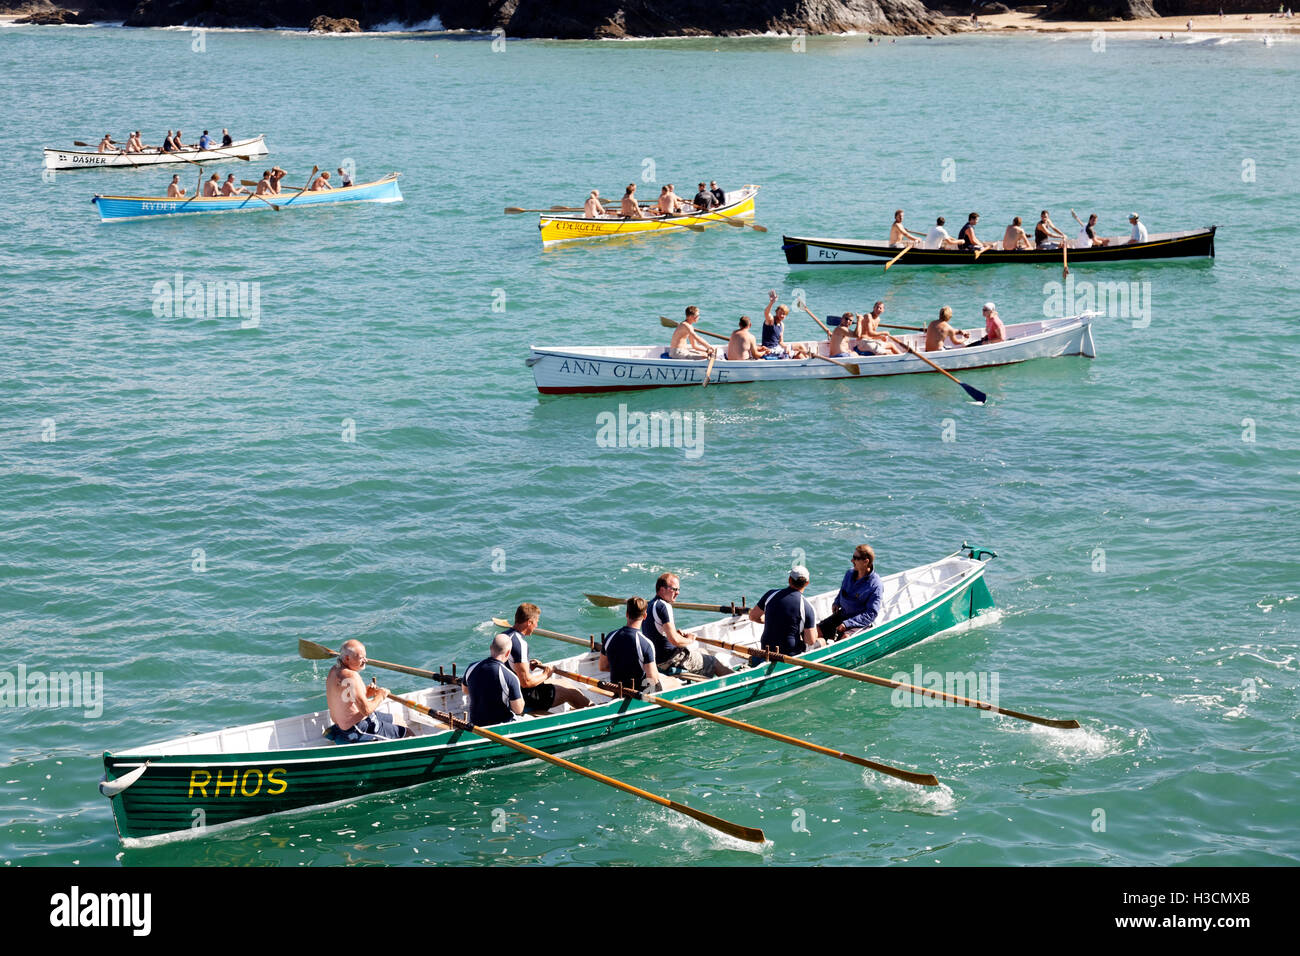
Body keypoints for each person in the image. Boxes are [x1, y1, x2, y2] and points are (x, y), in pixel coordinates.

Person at [500, 603, 591, 713]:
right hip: (523, 697)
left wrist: (527, 666)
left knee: (564, 682)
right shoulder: (520, 644)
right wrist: (546, 674)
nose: (536, 626)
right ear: (529, 622)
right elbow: (526, 683)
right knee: (572, 693)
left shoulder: (503, 636)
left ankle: (587, 708)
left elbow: (509, 666)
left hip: (505, 691)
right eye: (536, 622)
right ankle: (597, 713)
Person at [643, 573, 733, 678]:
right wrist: (690, 640)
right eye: (674, 589)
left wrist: (676, 634)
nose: (678, 593)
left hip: (656, 660)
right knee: (714, 662)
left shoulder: (649, 605)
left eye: (678, 589)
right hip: (671, 659)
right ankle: (739, 683)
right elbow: (674, 641)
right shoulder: (664, 606)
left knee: (702, 652)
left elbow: (658, 633)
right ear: (662, 589)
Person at [325, 640, 408, 742]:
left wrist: (367, 693)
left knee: (398, 719)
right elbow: (366, 710)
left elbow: (346, 697)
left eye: (365, 656)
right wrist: (380, 695)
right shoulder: (351, 676)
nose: (366, 660)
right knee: (408, 734)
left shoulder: (334, 670)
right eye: (361, 658)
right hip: (356, 728)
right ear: (347, 658)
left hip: (347, 722)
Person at [748, 566, 823, 662]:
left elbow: (752, 616)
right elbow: (810, 641)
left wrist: (766, 621)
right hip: (789, 653)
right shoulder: (807, 607)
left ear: (789, 579)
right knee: (822, 641)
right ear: (807, 583)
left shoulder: (770, 594)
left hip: (766, 649)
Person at [817, 545, 884, 641]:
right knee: (817, 629)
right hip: (843, 614)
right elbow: (842, 591)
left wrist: (847, 624)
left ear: (866, 561)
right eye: (853, 557)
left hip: (858, 622)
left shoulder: (876, 585)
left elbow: (871, 614)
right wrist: (837, 602)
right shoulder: (849, 574)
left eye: (856, 558)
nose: (852, 560)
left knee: (845, 639)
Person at [461, 634, 524, 727]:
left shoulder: (471, 667)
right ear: (508, 653)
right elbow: (518, 709)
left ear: (491, 648)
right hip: (500, 726)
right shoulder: (510, 677)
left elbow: (465, 690)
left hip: (476, 725)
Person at [600, 597, 661, 692]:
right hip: (636, 694)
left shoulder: (610, 637)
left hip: (616, 691)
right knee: (672, 681)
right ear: (645, 616)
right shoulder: (646, 643)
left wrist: (622, 670)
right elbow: (652, 680)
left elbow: (602, 667)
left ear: (626, 614)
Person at [761, 292, 812, 359]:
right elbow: (766, 313)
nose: (782, 315)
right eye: (780, 313)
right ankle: (809, 360)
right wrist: (772, 302)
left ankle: (809, 360)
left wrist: (786, 347)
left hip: (778, 348)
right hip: (770, 350)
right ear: (776, 312)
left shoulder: (782, 325)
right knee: (799, 352)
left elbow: (781, 342)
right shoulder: (771, 320)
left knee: (800, 350)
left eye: (784, 314)